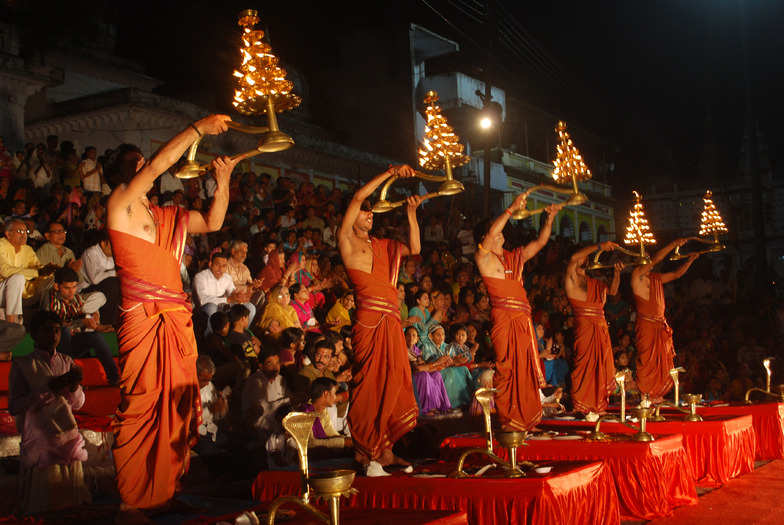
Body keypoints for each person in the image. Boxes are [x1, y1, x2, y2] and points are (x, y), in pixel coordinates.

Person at [104, 114, 238, 520]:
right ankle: (131, 501)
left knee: (177, 403)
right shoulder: (121, 205)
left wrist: (225, 178)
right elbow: (160, 164)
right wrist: (198, 129)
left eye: (139, 159)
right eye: (132, 162)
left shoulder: (167, 216)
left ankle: (163, 491)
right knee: (142, 404)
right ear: (119, 176)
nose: (141, 164)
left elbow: (213, 222)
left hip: (175, 317)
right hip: (144, 318)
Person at [337, 165, 422, 477]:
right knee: (368, 386)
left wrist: (412, 212)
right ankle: (364, 453)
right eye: (365, 211)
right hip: (370, 321)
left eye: (373, 212)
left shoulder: (383, 245)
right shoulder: (346, 237)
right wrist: (389, 173)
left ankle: (385, 452)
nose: (370, 215)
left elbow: (415, 248)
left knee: (393, 382)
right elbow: (360, 194)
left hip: (391, 321)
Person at [475, 193, 563, 431]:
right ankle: (509, 421)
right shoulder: (483, 257)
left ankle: (529, 418)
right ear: (484, 237)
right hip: (503, 318)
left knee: (525, 371)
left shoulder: (516, 257)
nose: (500, 233)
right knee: (507, 369)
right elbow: (493, 232)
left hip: (523, 320)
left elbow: (541, 243)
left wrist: (549, 219)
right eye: (493, 231)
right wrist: (510, 209)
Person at [8, 311, 91, 514]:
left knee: (72, 508)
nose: (54, 335)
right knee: (46, 509)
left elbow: (77, 404)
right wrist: (49, 389)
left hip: (68, 439)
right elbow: (15, 406)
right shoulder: (23, 365)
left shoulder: (66, 361)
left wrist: (73, 386)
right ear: (34, 335)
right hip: (40, 443)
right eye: (48, 330)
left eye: (57, 331)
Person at [631, 239, 698, 403]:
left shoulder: (655, 278)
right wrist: (673, 244)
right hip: (646, 326)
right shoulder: (636, 276)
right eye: (645, 258)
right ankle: (646, 394)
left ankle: (657, 395)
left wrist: (690, 260)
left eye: (648, 258)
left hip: (660, 325)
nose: (649, 260)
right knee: (647, 361)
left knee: (662, 362)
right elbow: (657, 259)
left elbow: (676, 274)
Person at [564, 242, 624, 416]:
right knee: (583, 367)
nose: (586, 258)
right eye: (584, 255)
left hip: (600, 329)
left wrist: (617, 273)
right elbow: (574, 258)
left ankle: (597, 404)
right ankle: (580, 404)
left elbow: (612, 292)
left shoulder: (594, 282)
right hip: (584, 328)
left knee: (600, 367)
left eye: (587, 256)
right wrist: (599, 246)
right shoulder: (571, 278)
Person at [43, 267, 119, 385]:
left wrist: (93, 319)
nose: (71, 291)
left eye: (74, 287)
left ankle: (114, 377)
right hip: (52, 347)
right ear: (57, 286)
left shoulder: (76, 299)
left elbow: (85, 316)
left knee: (94, 336)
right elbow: (53, 327)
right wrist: (81, 322)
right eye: (67, 288)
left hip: (71, 345)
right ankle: (71, 379)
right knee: (64, 331)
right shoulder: (50, 299)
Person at [0, 217, 55, 324]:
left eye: (26, 231)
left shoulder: (27, 250)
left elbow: (39, 269)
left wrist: (48, 271)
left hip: (23, 295)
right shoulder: (1, 245)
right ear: (8, 234)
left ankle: (46, 320)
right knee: (17, 278)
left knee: (51, 279)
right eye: (20, 231)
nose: (24, 234)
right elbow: (4, 270)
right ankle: (12, 323)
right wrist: (38, 273)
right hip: (2, 292)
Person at [193, 251, 255, 335]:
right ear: (210, 264)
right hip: (203, 312)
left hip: (223, 310)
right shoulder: (200, 277)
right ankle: (210, 339)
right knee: (211, 307)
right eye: (217, 264)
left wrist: (240, 298)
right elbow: (202, 301)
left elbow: (232, 296)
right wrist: (228, 299)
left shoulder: (227, 278)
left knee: (250, 307)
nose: (220, 268)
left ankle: (238, 336)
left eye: (224, 266)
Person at [242, 347, 292, 439]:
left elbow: (290, 399)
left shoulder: (280, 379)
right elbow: (262, 409)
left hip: (278, 420)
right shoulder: (255, 381)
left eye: (277, 363)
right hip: (260, 426)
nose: (275, 367)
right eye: (270, 364)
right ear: (261, 366)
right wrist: (290, 400)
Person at [405, 326, 451, 415]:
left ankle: (440, 406)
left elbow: (423, 367)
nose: (411, 338)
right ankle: (426, 408)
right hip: (408, 376)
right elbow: (416, 369)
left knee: (436, 374)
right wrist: (437, 363)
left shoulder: (417, 351)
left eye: (414, 335)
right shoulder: (405, 350)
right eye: (408, 335)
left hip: (416, 374)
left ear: (417, 339)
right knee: (424, 376)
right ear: (404, 337)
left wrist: (439, 366)